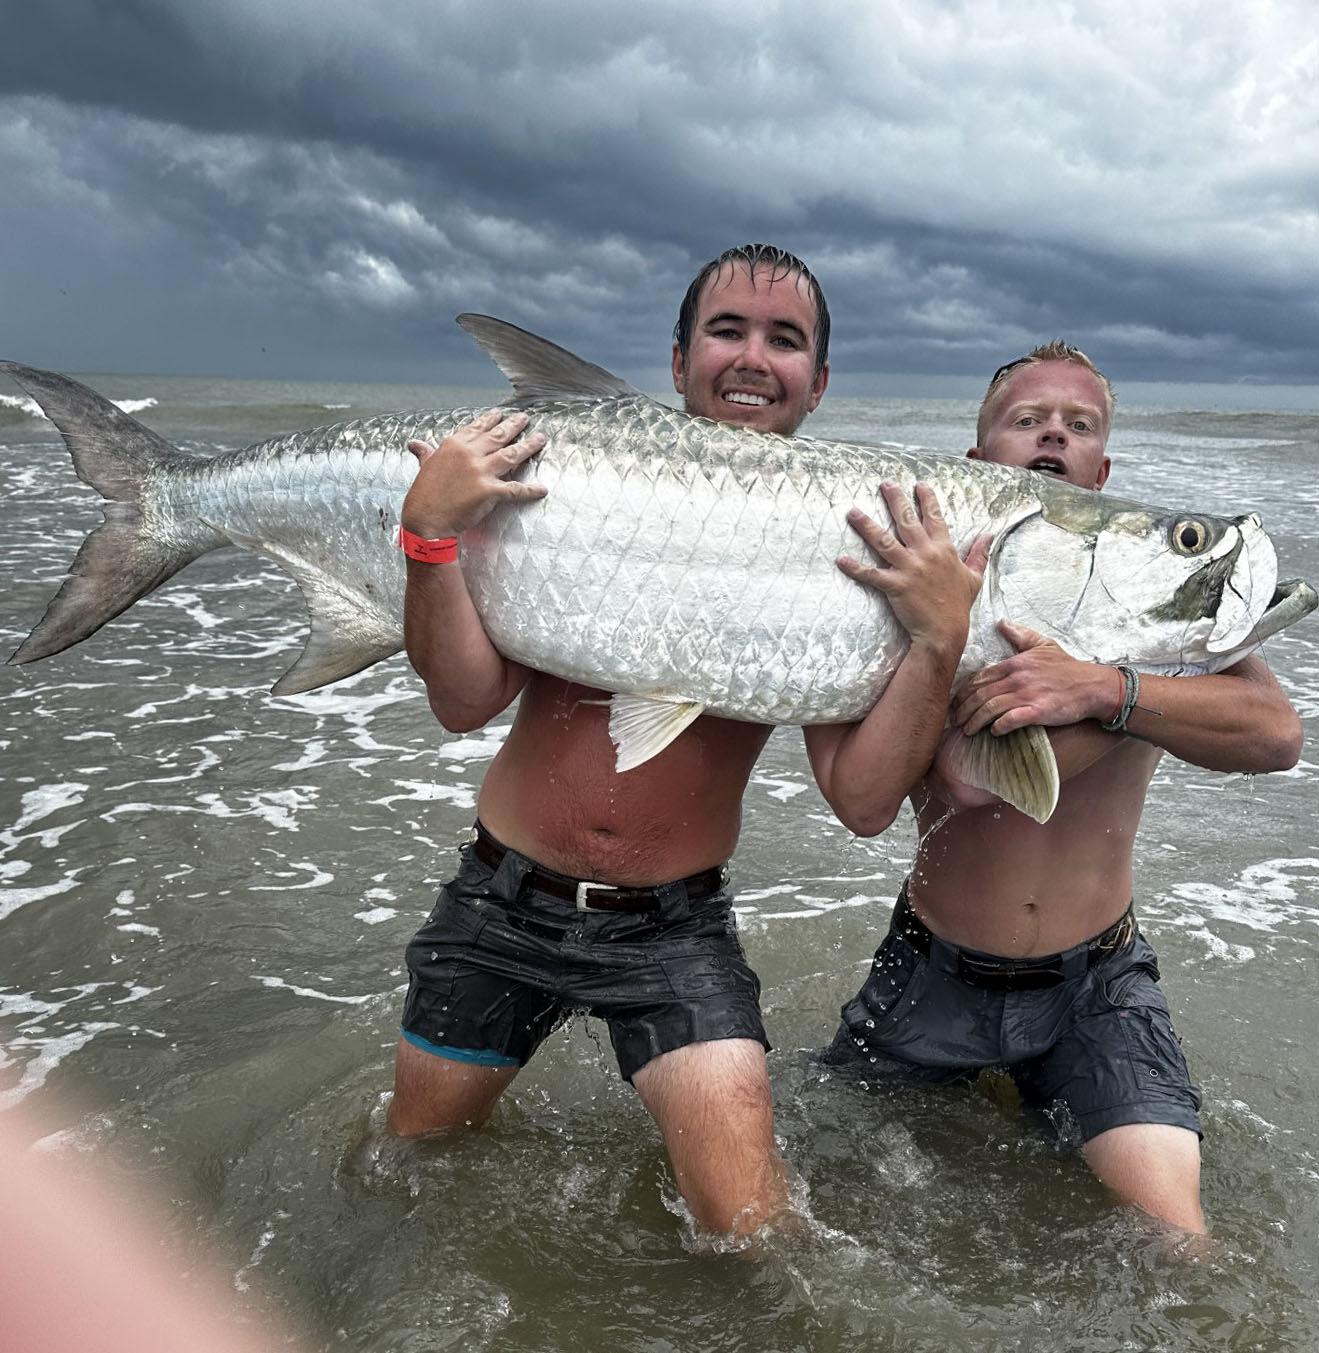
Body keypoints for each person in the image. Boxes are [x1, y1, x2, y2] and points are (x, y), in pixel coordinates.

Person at [386, 243, 984, 1234]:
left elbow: (866, 803)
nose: (753, 356)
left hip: (671, 930)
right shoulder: (576, 488)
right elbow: (462, 700)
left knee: (754, 1234)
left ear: (818, 382)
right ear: (675, 362)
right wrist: (427, 538)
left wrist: (937, 638)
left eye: (783, 339)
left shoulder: (854, 541)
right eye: (726, 330)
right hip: (499, 904)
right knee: (404, 1170)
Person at [824, 342, 1304, 1234]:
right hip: (931, 966)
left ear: (1102, 468)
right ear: (976, 460)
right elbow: (962, 784)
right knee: (840, 1212)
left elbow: (1275, 733)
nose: (1053, 432)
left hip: (1097, 977)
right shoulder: (912, 597)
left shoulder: (1156, 609)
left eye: (1078, 425)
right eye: (1026, 418)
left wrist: (1104, 687)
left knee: (1174, 1235)